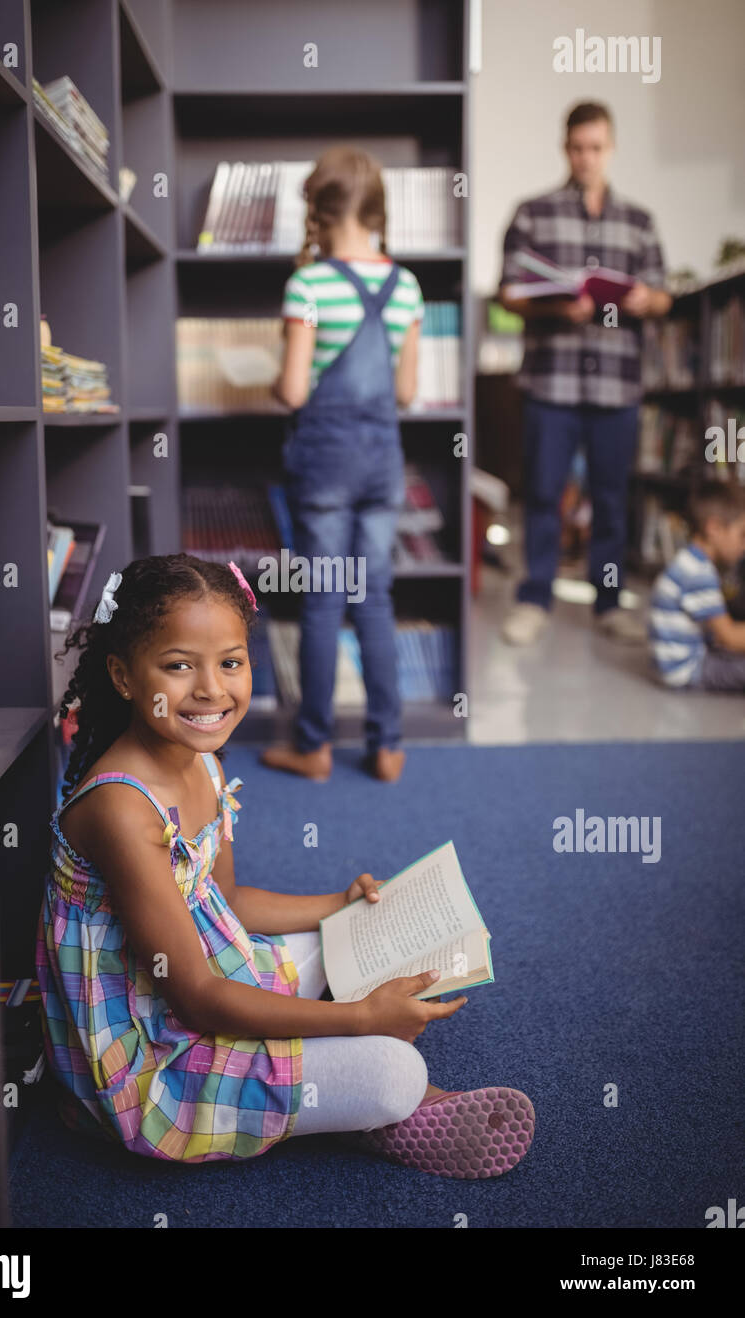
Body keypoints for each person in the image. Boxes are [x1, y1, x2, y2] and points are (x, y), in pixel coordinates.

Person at [36, 555, 535, 1178]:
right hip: (152, 1053)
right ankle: (382, 1110)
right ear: (124, 676)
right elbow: (196, 1000)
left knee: (353, 941)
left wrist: (338, 906)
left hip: (210, 973)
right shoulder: (122, 809)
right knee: (395, 1071)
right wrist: (359, 1021)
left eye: (231, 663)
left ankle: (324, 1093)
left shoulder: (204, 763)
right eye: (178, 666)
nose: (212, 689)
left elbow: (230, 903)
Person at [260, 146, 423, 784]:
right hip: (383, 460)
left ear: (320, 211)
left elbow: (294, 392)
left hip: (325, 462)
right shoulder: (406, 285)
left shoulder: (308, 284)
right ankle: (386, 746)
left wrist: (269, 379)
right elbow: (407, 393)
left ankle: (314, 747)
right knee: (374, 598)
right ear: (375, 209)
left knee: (325, 601)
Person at [498, 100, 673, 646]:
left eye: (596, 148)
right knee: (545, 493)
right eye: (577, 148)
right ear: (564, 147)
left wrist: (645, 298)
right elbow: (509, 294)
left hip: (617, 385)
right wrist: (556, 306)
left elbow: (666, 298)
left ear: (610, 148)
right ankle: (535, 598)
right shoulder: (531, 214)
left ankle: (608, 602)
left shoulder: (639, 221)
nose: (586, 158)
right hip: (552, 383)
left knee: (612, 498)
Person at [649, 481, 745, 689]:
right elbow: (729, 636)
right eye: (742, 535)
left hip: (675, 661)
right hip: (686, 669)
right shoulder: (698, 574)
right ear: (714, 529)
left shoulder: (690, 562)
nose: (743, 546)